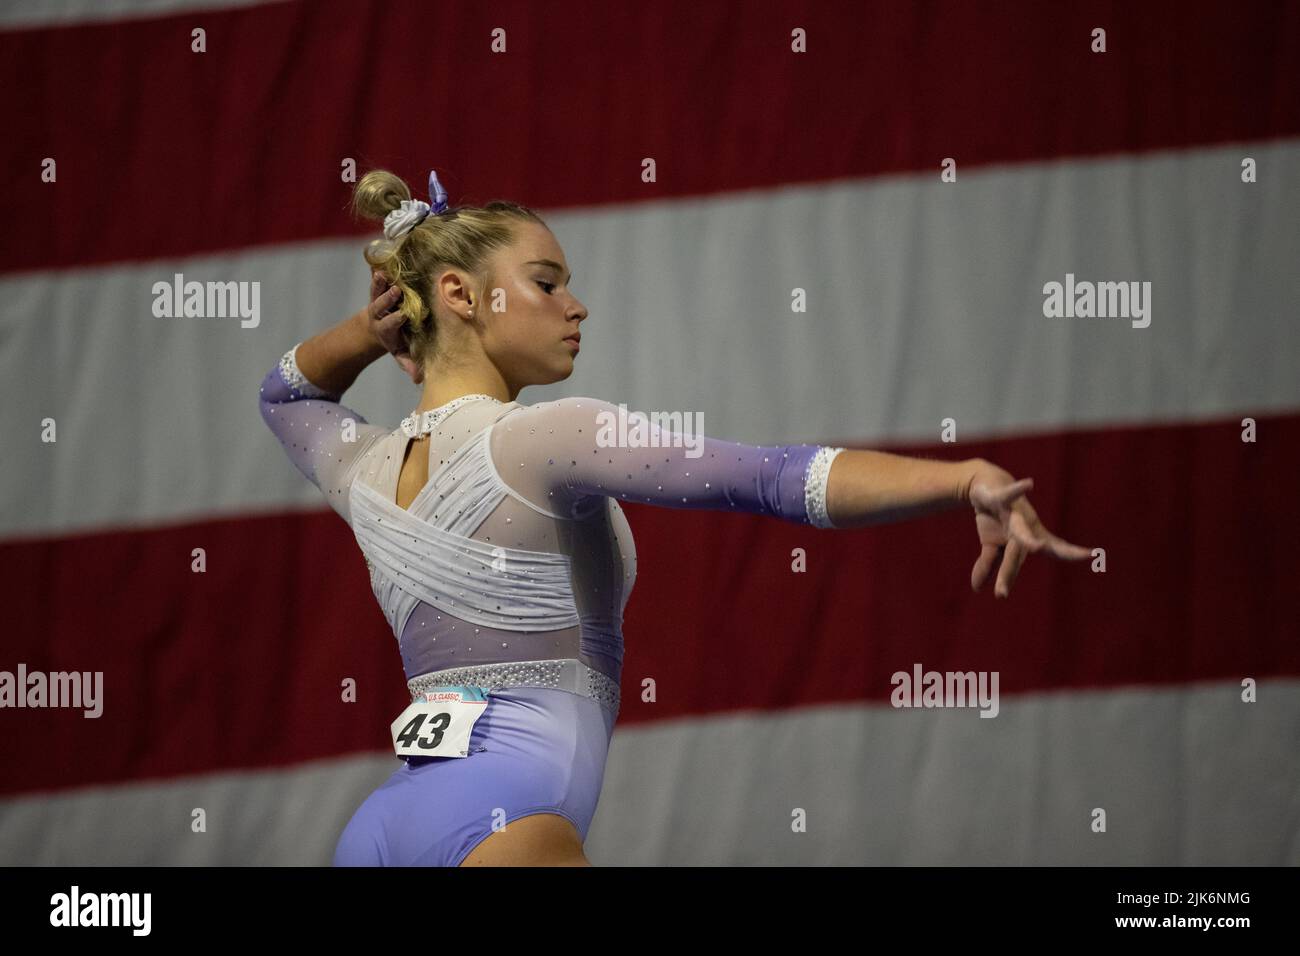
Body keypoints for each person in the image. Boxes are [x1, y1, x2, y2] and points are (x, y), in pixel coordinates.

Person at [258, 168, 1089, 867]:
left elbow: (286, 394)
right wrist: (958, 479)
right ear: (460, 295)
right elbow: (770, 479)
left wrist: (370, 335)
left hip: (379, 830)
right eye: (547, 282)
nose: (575, 306)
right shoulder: (547, 438)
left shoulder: (362, 470)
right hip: (507, 819)